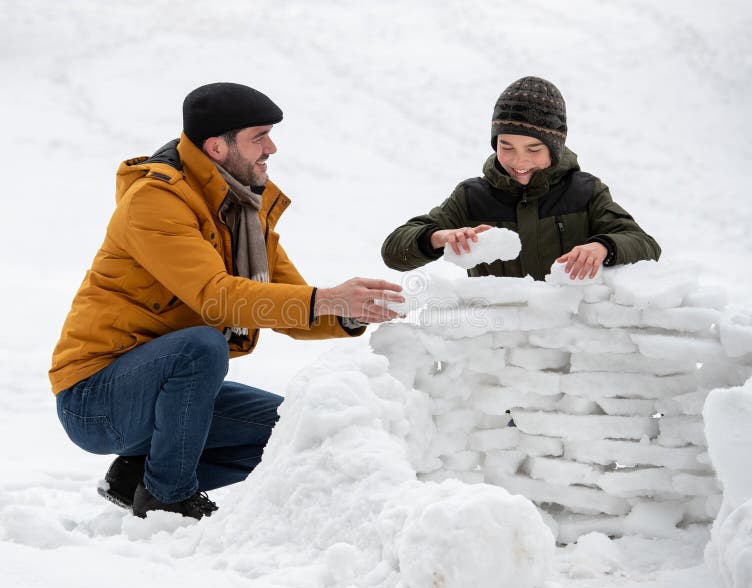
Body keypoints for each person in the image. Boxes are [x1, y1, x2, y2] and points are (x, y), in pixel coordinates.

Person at [49, 82, 403, 520]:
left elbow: (291, 304)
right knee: (201, 345)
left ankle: (136, 479)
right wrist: (325, 299)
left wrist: (347, 311)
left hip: (167, 389)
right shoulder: (156, 201)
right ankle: (167, 497)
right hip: (95, 398)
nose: (271, 148)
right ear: (216, 147)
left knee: (289, 430)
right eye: (259, 136)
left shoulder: (243, 211)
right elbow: (218, 297)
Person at [381, 76, 661, 281]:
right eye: (506, 147)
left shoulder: (585, 192)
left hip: (569, 348)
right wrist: (438, 237)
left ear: (555, 146)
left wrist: (603, 246)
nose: (519, 161)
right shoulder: (472, 197)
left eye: (534, 149)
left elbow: (646, 246)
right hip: (497, 350)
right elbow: (394, 252)